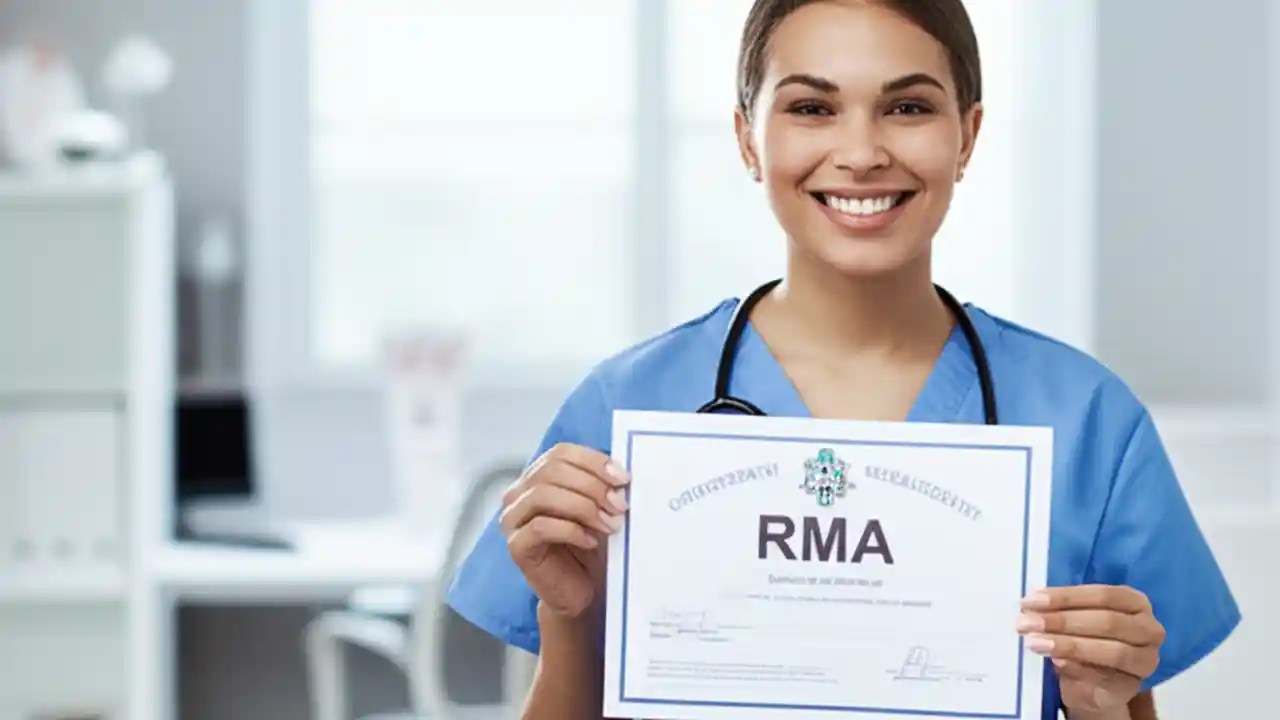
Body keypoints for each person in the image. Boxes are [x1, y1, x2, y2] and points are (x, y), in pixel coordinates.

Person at [444, 1, 1241, 718]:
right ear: (747, 138)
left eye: (907, 107)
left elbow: (1125, 705)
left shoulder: (1088, 418)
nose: (861, 153)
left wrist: (1101, 704)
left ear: (967, 135)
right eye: (812, 107)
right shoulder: (624, 406)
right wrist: (571, 619)